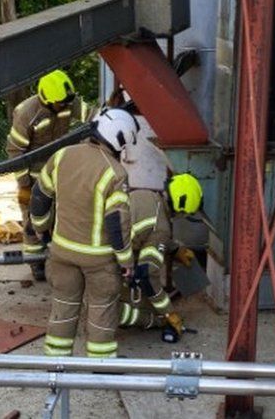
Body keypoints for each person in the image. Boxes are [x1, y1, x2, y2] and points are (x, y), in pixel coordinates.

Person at [29, 108, 139, 358]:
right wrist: (126, 261)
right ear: (119, 139)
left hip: (62, 252)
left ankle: (57, 365)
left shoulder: (61, 156)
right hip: (99, 260)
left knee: (64, 307)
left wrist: (41, 230)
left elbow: (39, 197)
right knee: (101, 309)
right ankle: (100, 366)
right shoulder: (115, 173)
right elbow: (117, 223)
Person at [6, 69, 91, 280]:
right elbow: (15, 152)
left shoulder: (67, 102)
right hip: (35, 179)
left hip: (60, 174)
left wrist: (109, 112)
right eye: (60, 104)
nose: (65, 107)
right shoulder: (27, 113)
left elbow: (91, 115)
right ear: (47, 99)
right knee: (32, 222)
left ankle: (59, 258)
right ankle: (36, 264)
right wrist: (24, 185)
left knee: (61, 217)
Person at [119, 173, 203, 343]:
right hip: (101, 267)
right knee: (115, 313)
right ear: (181, 209)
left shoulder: (146, 195)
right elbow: (147, 274)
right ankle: (150, 320)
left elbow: (147, 232)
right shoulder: (162, 227)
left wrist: (174, 248)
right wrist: (168, 312)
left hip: (96, 251)